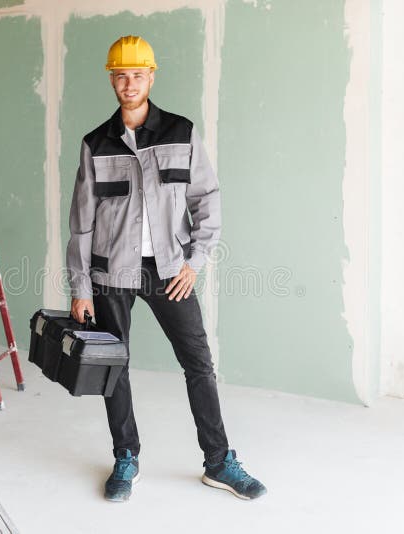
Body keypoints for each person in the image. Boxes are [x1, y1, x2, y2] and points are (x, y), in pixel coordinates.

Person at [66, 35, 266, 502]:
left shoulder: (180, 132)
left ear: (151, 77)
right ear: (111, 79)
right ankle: (125, 457)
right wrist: (79, 287)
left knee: (198, 363)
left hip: (170, 271)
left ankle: (218, 462)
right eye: (120, 74)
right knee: (113, 367)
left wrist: (195, 263)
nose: (128, 82)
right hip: (109, 274)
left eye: (137, 74)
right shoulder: (95, 144)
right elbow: (81, 223)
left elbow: (207, 200)